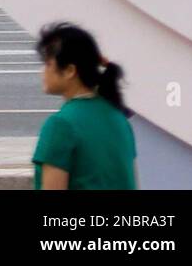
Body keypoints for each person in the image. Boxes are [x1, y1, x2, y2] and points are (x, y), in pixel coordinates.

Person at [33, 22, 137, 190]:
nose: (42, 71)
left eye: (47, 64)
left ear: (69, 71)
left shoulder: (61, 125)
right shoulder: (119, 119)